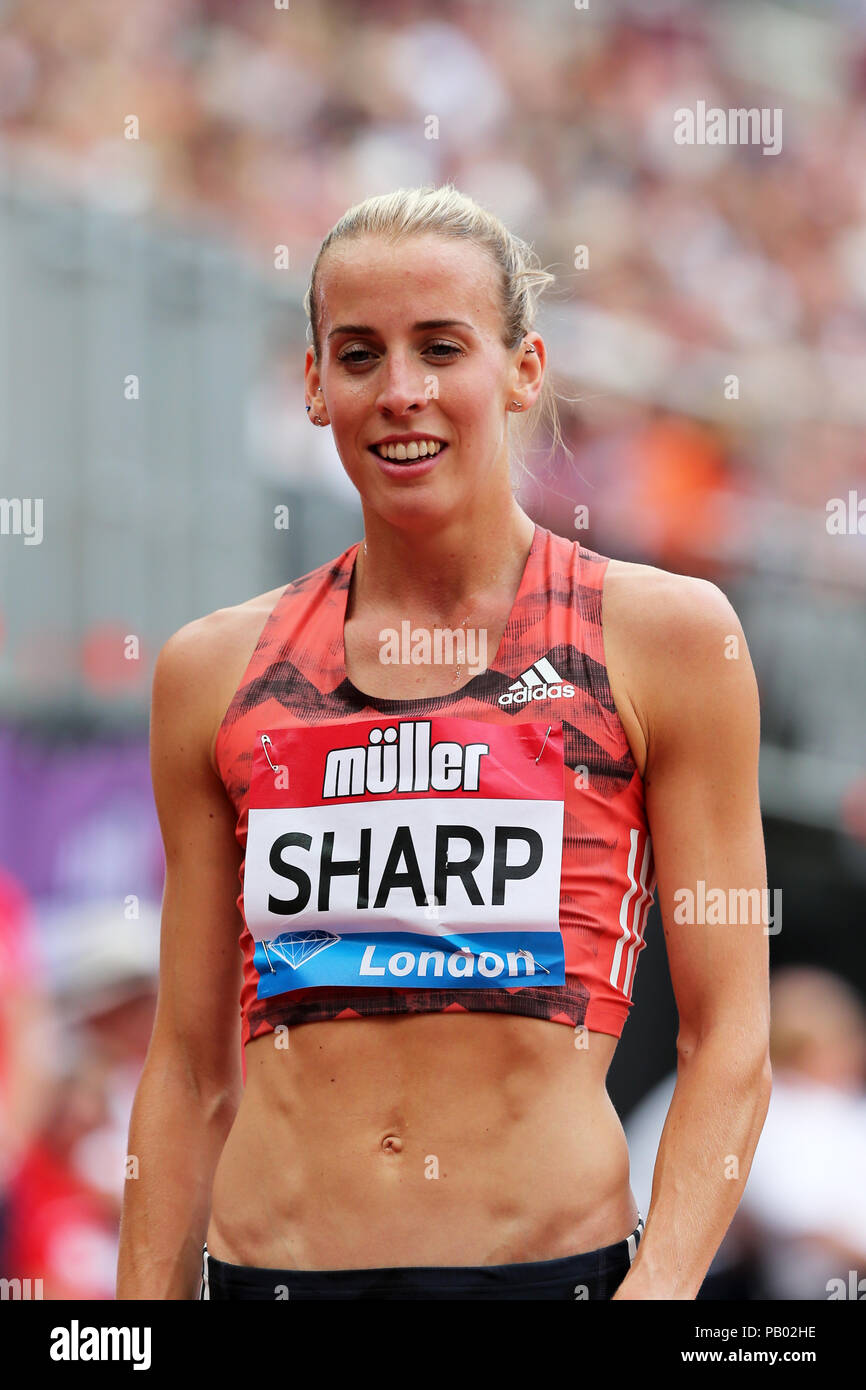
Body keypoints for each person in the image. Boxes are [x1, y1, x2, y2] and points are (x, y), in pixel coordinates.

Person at [117, 184, 771, 1301]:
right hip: (273, 1272)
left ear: (521, 369)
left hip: (546, 1271)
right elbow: (184, 1067)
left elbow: (730, 1041)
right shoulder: (210, 672)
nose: (401, 392)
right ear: (314, 385)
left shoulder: (664, 638)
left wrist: (657, 1291)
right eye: (359, 354)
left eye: (441, 347)